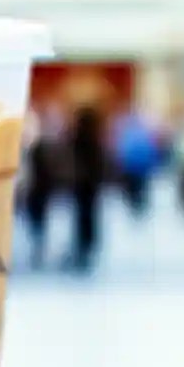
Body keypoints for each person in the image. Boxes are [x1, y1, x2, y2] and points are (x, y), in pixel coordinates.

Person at [67, 106, 105, 273]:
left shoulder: (80, 139)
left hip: (82, 183)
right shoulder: (95, 140)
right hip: (90, 184)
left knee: (83, 217)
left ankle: (83, 247)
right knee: (89, 216)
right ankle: (87, 246)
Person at [21, 107, 60, 268]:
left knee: (38, 221)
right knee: (36, 221)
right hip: (36, 190)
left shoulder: (40, 149)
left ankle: (39, 248)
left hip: (39, 190)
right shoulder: (32, 150)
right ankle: (38, 247)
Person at [112, 106, 159, 218]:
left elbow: (122, 148)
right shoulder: (143, 131)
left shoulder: (128, 132)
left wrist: (121, 161)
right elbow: (150, 148)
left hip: (132, 165)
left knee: (134, 186)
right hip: (140, 165)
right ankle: (139, 205)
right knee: (140, 186)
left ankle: (135, 204)